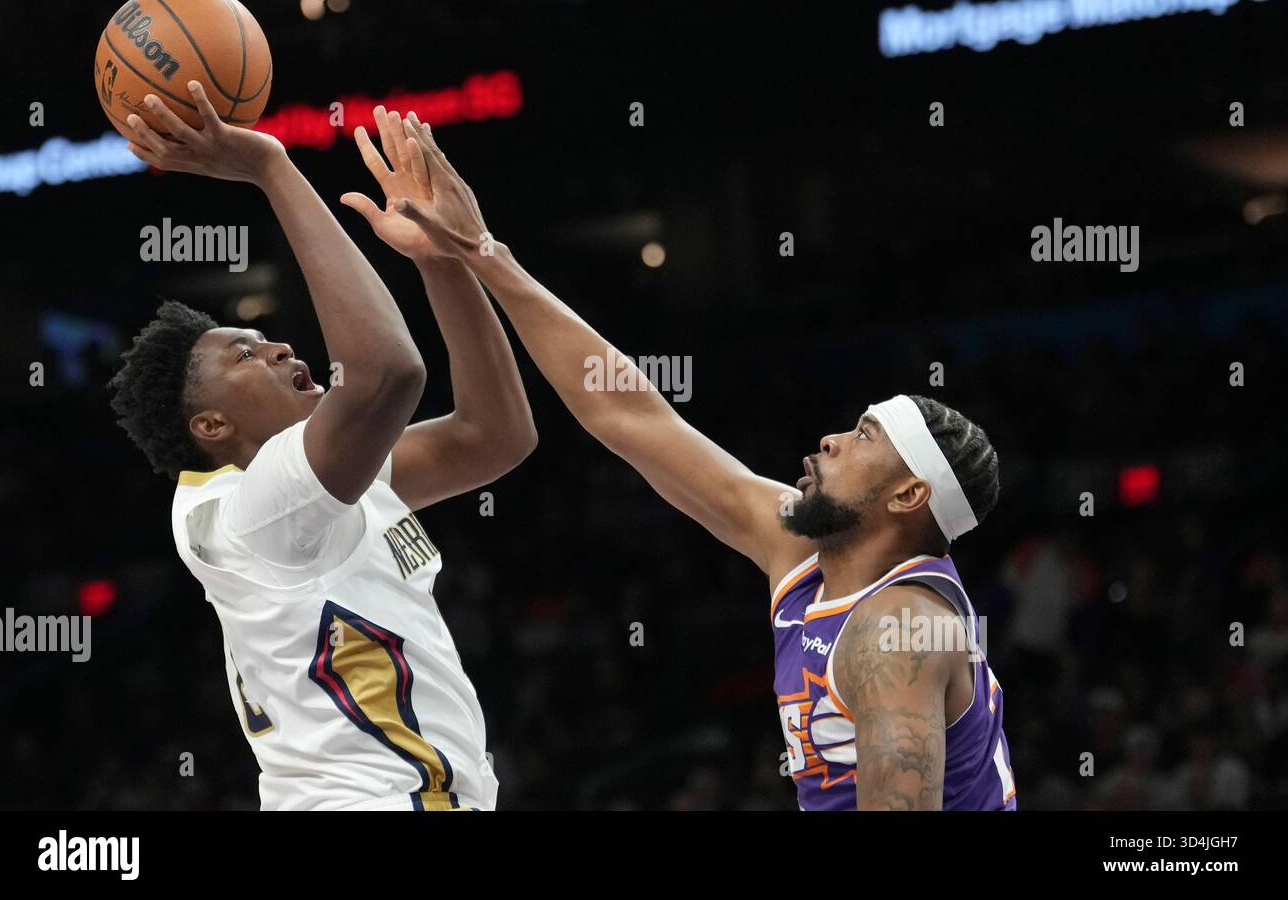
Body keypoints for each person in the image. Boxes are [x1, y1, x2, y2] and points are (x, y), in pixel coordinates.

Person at [390, 118, 1016, 810]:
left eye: (865, 436)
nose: (833, 439)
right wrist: (482, 252)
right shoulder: (799, 549)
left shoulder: (896, 632)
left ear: (907, 496)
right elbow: (630, 415)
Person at [109, 84, 535, 810]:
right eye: (244, 355)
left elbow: (493, 436)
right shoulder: (250, 507)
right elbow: (386, 372)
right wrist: (273, 167)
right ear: (210, 426)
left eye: (264, 338)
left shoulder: (325, 482)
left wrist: (441, 258)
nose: (277, 346)